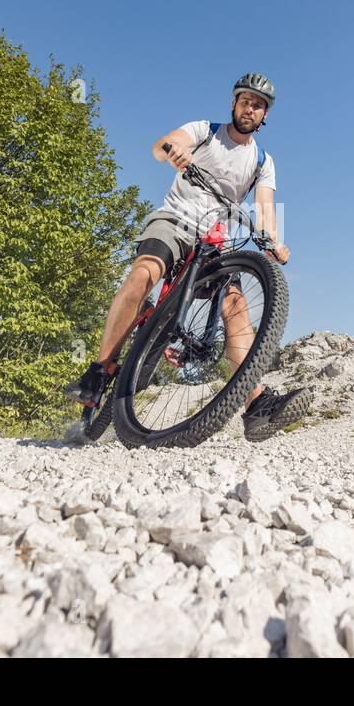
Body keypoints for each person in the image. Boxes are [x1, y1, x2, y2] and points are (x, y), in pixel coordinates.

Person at [64, 72, 312, 440]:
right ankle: (100, 370)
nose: (251, 108)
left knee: (235, 308)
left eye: (258, 105)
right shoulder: (205, 131)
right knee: (144, 273)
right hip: (176, 220)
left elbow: (265, 207)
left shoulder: (262, 161)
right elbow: (164, 143)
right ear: (234, 103)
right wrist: (173, 149)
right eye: (246, 101)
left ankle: (255, 403)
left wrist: (275, 242)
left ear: (264, 115)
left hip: (214, 238)